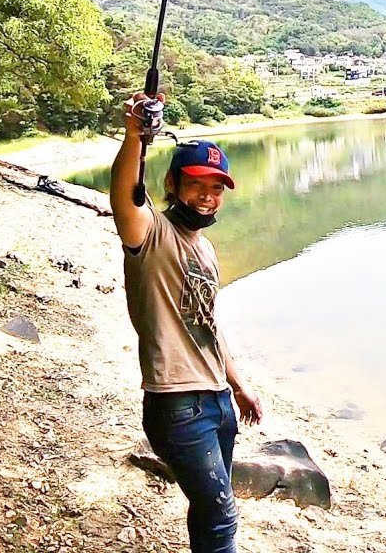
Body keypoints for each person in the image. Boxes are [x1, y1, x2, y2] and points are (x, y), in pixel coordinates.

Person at [109, 91, 264, 553]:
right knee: (221, 513)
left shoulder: (206, 249)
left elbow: (208, 325)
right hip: (176, 404)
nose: (207, 196)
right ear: (173, 184)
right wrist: (135, 136)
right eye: (197, 184)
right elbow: (125, 196)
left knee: (209, 507)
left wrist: (239, 385)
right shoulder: (150, 232)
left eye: (217, 188)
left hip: (217, 400)